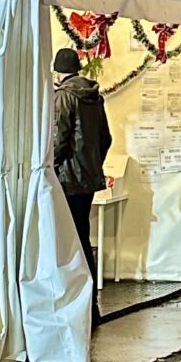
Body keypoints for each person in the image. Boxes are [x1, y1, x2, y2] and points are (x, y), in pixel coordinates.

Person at [52, 47, 112, 326]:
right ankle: (91, 306)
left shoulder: (63, 97)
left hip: (65, 180)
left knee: (67, 241)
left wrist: (49, 167)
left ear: (57, 70)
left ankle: (73, 305)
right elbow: (106, 137)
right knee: (82, 238)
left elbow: (59, 139)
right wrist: (93, 164)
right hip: (87, 180)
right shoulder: (94, 97)